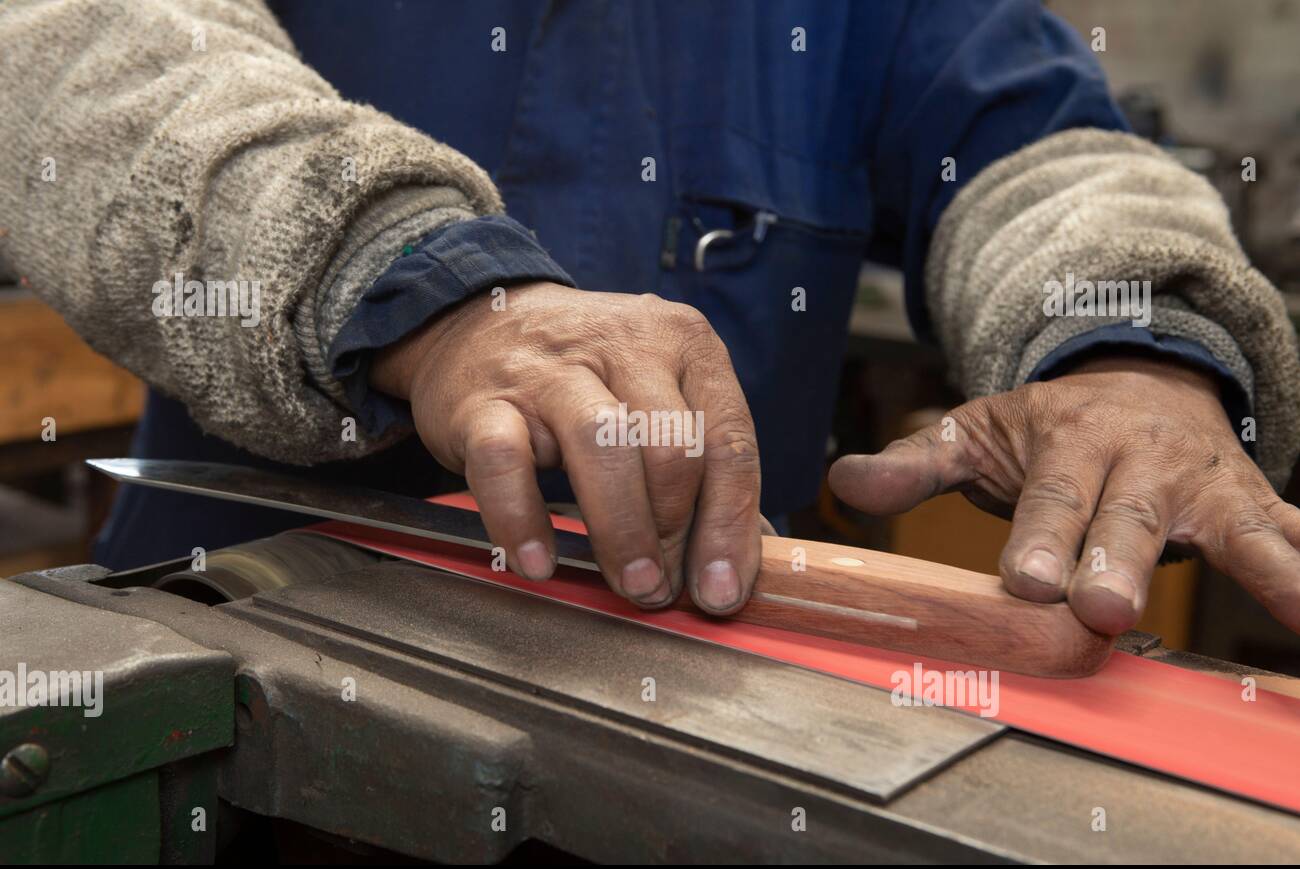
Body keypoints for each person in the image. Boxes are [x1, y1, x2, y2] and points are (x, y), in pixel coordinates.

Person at [2, 0, 1298, 639]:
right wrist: (410, 278)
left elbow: (1046, 154)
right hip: (226, 649)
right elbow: (78, 56)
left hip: (705, 694)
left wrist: (1133, 343)